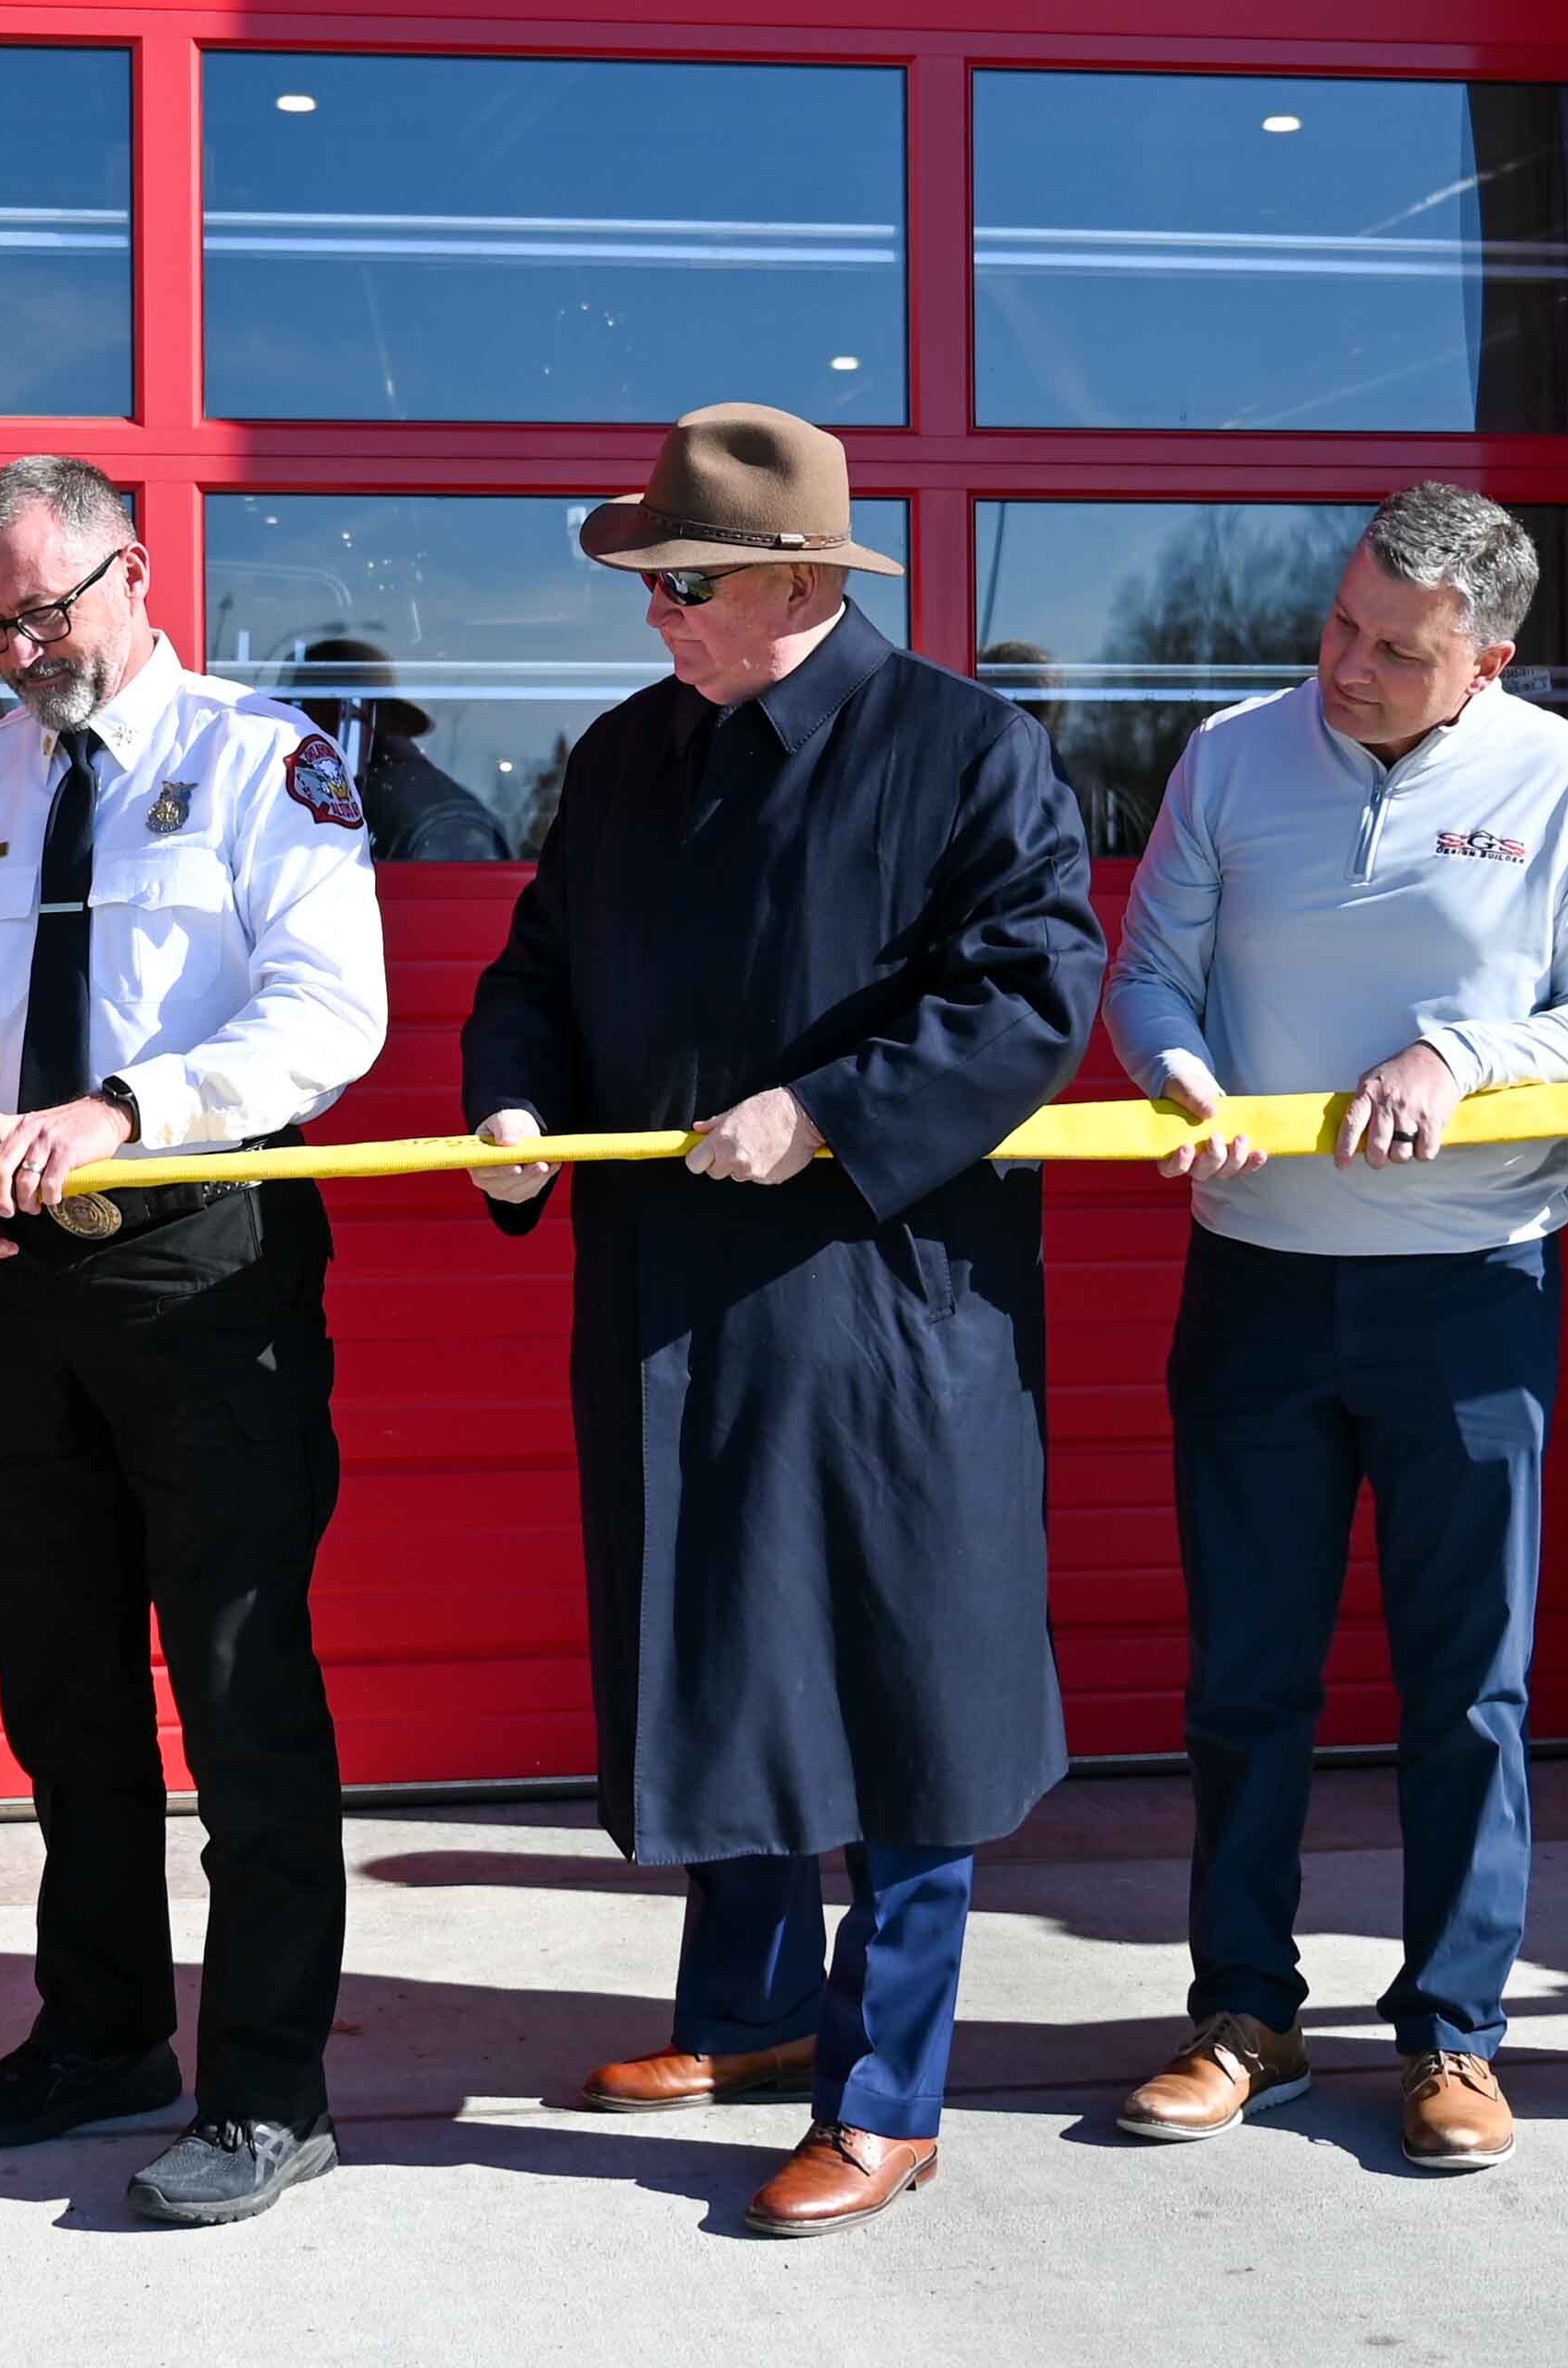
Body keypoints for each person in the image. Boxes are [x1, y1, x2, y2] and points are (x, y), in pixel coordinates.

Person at [460, 404, 1103, 2238]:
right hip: (670, 1292)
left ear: (803, 582)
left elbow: (1030, 990)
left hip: (881, 1306)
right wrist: (510, 1103)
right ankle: (745, 2011)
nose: (654, 615)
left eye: (682, 584)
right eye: (647, 586)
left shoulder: (964, 751)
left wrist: (825, 1109)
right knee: (713, 1639)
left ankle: (885, 2090)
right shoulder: (625, 759)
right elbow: (532, 972)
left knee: (906, 1690)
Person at [1099, 485, 1568, 2172]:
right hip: (1259, 1279)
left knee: (1468, 1688)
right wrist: (1182, 1077)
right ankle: (1241, 2011)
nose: (1344, 664)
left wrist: (1459, 1056)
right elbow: (1150, 982)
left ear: (1488, 658)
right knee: (1247, 1679)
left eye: (1396, 650)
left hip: (1472, 1286)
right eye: (1339, 625)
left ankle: (1455, 2034)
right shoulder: (1231, 754)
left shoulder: (1567, 781)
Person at [0, 455, 388, 2226]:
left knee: (244, 1688)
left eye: (49, 608)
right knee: (62, 1684)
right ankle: (101, 2031)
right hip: (24, 1286)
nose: (24, 647)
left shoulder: (266, 760)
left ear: (138, 569)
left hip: (207, 1261)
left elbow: (335, 1012)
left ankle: (270, 2084)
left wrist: (127, 1106)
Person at [288, 640, 508, 860]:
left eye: (300, 711)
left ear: (353, 715)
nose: (289, 730)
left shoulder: (445, 822)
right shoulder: (351, 787)